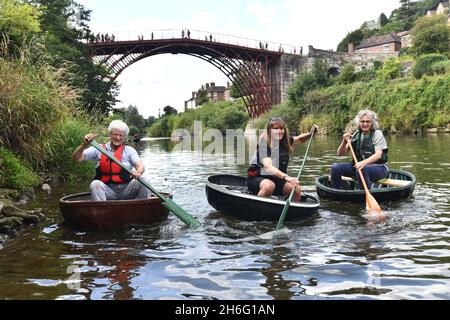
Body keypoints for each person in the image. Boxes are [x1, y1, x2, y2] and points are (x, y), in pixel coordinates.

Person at [72, 120, 150, 201]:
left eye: (121, 135)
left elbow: (140, 165)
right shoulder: (98, 148)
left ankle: (142, 208)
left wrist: (139, 171)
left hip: (127, 191)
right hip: (107, 191)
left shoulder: (129, 150)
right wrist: (84, 145)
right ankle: (102, 211)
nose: (118, 137)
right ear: (109, 134)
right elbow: (77, 158)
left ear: (124, 137)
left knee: (144, 180)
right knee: (95, 184)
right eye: (115, 134)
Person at [247, 117, 318, 202]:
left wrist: (311, 134)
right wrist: (286, 177)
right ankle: (257, 208)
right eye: (276, 129)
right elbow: (268, 168)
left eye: (281, 128)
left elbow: (299, 139)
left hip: (277, 180)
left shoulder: (285, 141)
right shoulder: (263, 144)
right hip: (258, 179)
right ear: (269, 130)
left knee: (296, 188)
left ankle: (293, 211)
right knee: (269, 186)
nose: (280, 131)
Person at [330, 109, 388, 190]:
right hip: (358, 168)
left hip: (379, 168)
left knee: (362, 169)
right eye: (362, 121)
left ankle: (363, 196)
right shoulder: (356, 135)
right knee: (335, 168)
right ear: (359, 122)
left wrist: (363, 163)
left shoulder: (377, 134)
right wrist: (344, 142)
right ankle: (335, 192)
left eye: (368, 121)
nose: (365, 124)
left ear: (372, 123)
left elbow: (378, 155)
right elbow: (340, 153)